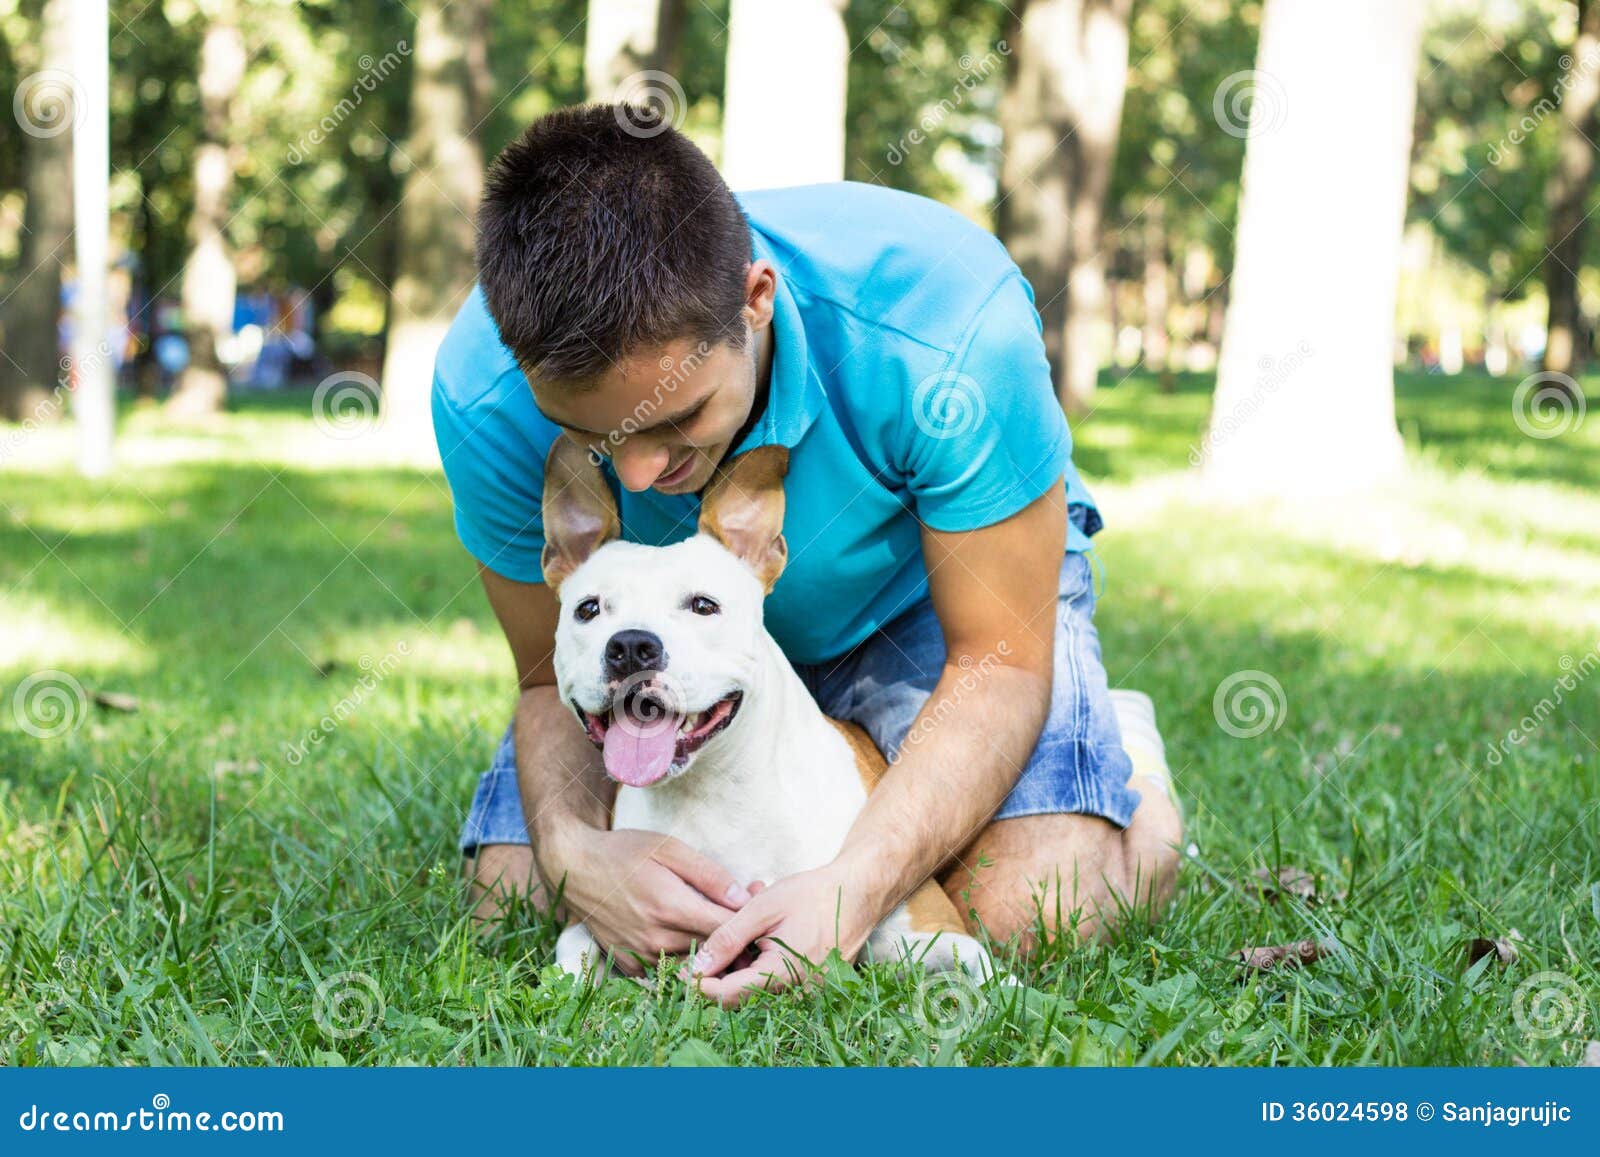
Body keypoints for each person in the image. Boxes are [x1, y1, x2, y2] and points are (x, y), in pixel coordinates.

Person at [432, 104, 1184, 1006]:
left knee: (1040, 909)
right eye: (588, 433)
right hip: (667, 654)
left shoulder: (943, 321)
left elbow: (1000, 659)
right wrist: (575, 854)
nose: (641, 472)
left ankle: (1123, 754)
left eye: (677, 419)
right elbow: (548, 682)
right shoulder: (483, 390)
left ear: (757, 301)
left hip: (927, 608)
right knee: (511, 897)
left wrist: (850, 894)